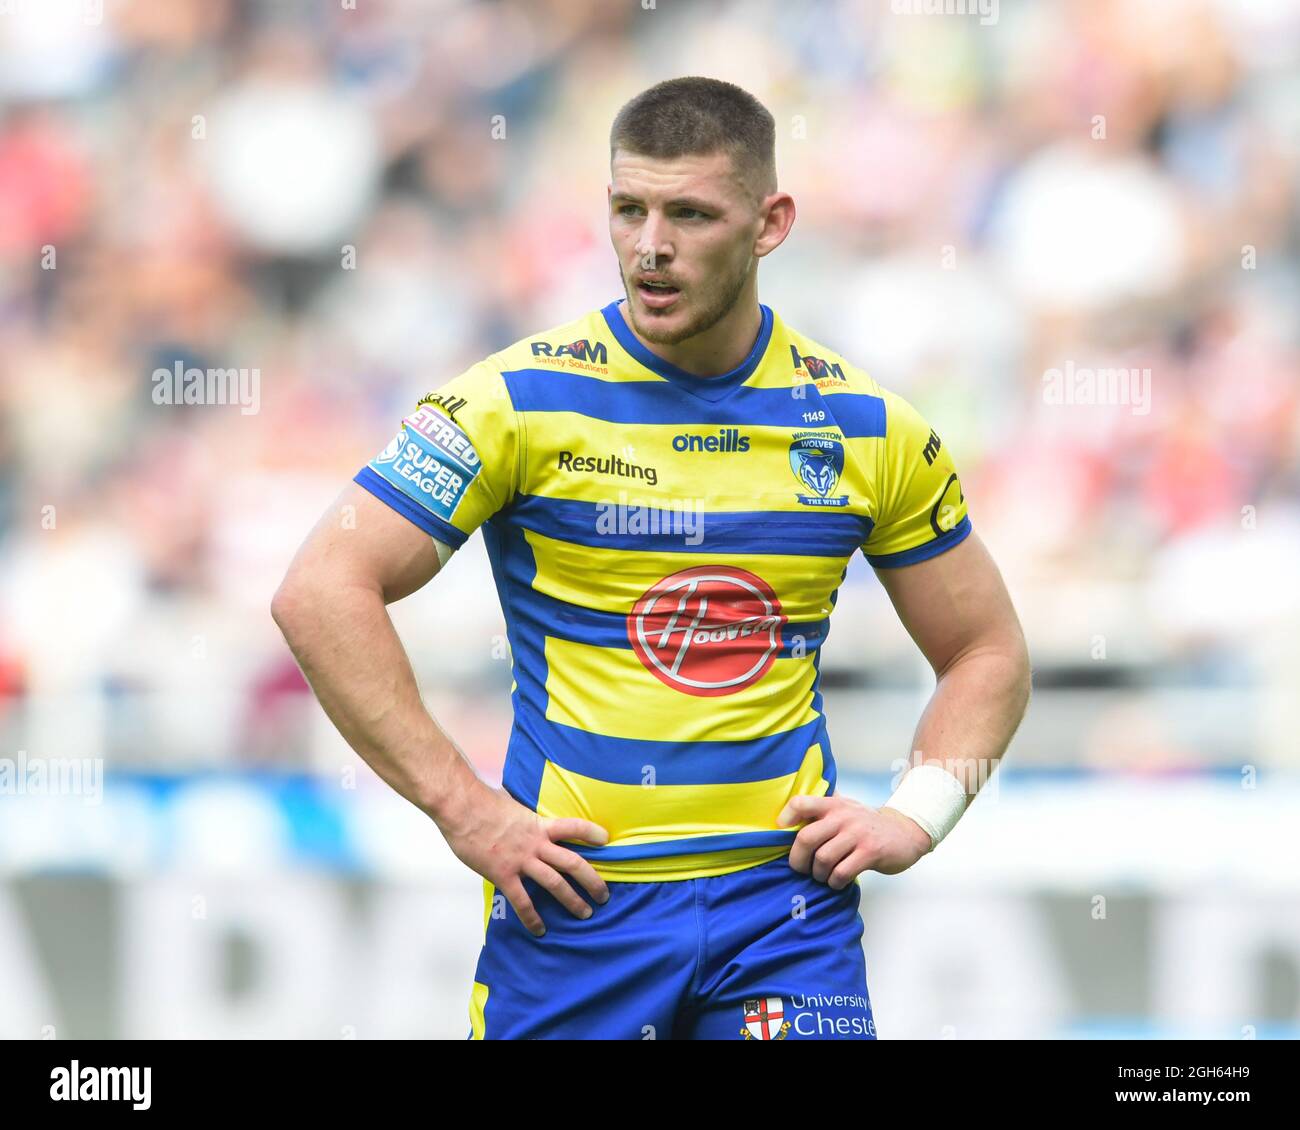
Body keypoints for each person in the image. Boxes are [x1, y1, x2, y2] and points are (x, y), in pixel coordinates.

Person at [272, 76, 1031, 1040]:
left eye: (690, 214)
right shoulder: (516, 401)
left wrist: (915, 815)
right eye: (629, 209)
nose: (651, 246)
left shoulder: (865, 426)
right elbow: (321, 589)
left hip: (784, 915)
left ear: (770, 223)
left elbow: (987, 651)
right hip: (578, 909)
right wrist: (464, 810)